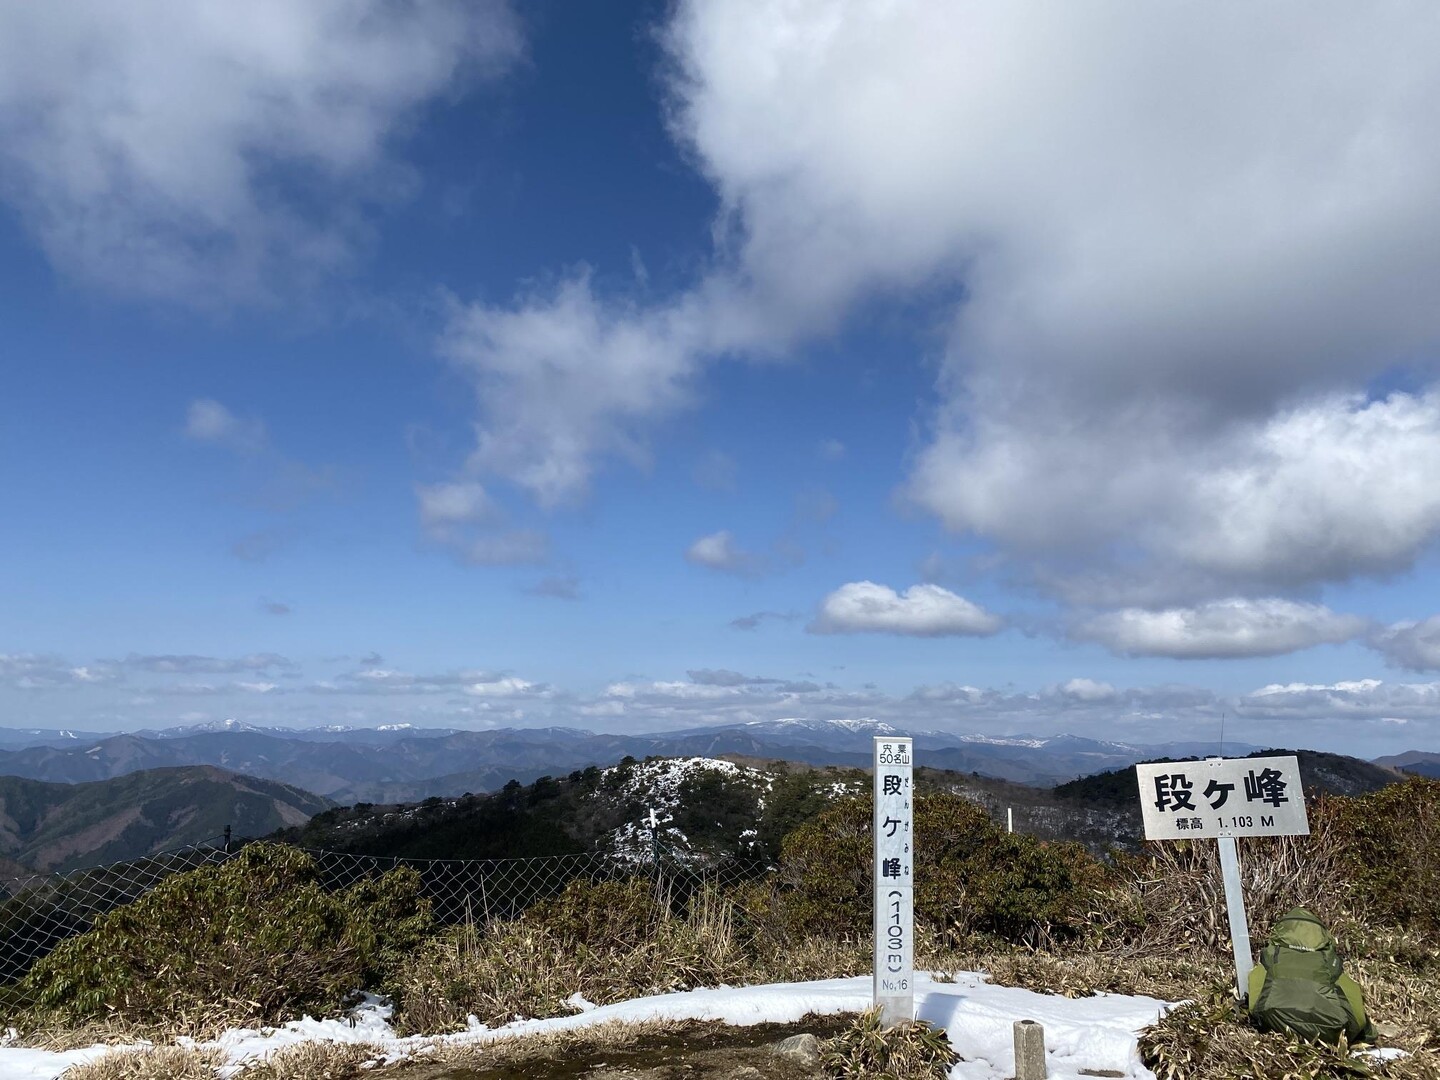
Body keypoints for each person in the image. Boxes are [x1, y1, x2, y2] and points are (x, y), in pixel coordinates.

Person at [1246, 907, 1377, 1044]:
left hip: (1273, 1020)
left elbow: (1256, 983)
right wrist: (1366, 1033)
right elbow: (1354, 1001)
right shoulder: (1326, 957)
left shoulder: (1274, 952)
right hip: (1331, 1030)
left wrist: (1255, 1014)